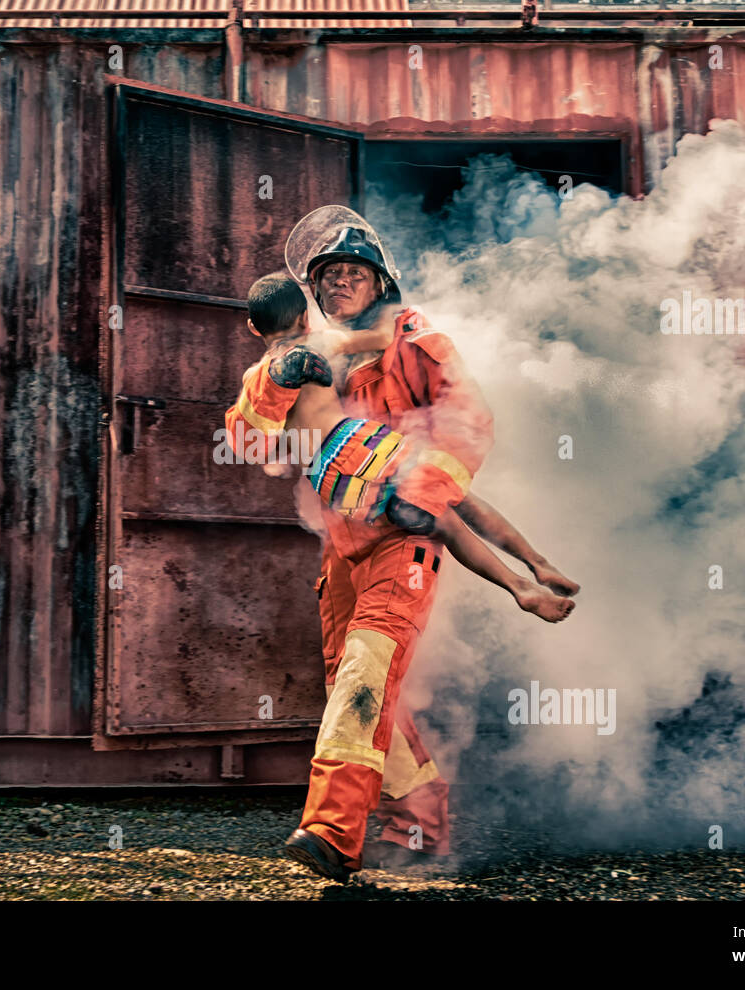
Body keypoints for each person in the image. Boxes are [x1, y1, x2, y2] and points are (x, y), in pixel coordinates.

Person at [225, 207, 569, 881]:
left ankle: (331, 831)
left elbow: (469, 425)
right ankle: (421, 822)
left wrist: (426, 493)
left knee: (366, 666)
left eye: (352, 273)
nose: (338, 286)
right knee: (356, 685)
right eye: (327, 278)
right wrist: (276, 377)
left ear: (381, 278)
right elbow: (248, 441)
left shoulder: (419, 341)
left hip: (402, 536)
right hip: (341, 546)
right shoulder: (308, 353)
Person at [235, 271, 577, 622]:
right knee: (449, 502)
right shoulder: (321, 343)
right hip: (360, 443)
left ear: (252, 327)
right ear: (305, 317)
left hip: (333, 473)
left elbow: (258, 436)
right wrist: (389, 302)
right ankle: (530, 571)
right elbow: (384, 337)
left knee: (440, 502)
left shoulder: (258, 376)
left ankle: (527, 580)